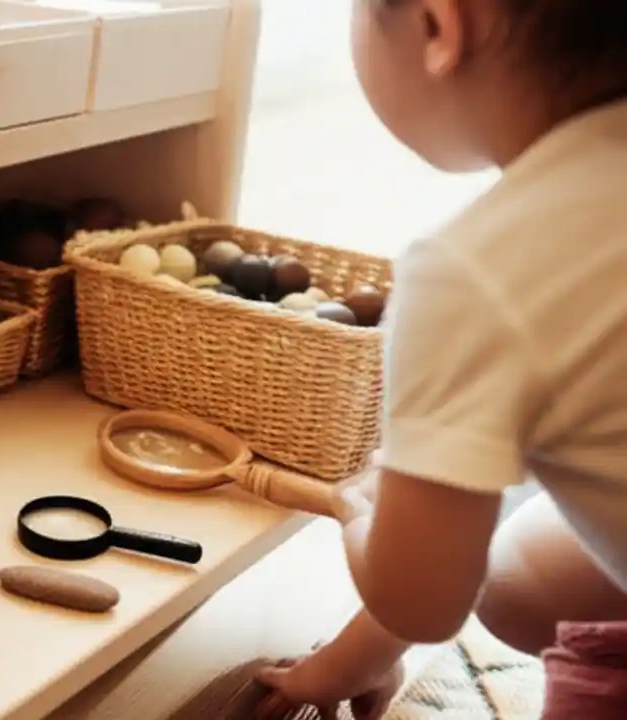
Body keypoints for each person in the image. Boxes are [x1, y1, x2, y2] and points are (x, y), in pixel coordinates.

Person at [253, 1, 627, 718]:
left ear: (438, 25)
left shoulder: (477, 269)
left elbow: (423, 603)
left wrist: (358, 513)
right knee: (519, 572)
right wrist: (354, 656)